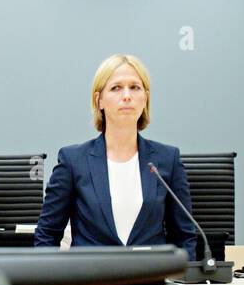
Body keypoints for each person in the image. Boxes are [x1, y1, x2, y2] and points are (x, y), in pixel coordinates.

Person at [33, 53, 198, 258]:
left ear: (145, 98)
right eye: (116, 88)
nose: (126, 95)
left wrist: (183, 282)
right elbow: (47, 234)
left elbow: (184, 236)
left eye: (135, 87)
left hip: (151, 282)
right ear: (99, 100)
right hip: (91, 283)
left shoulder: (167, 159)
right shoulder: (73, 161)